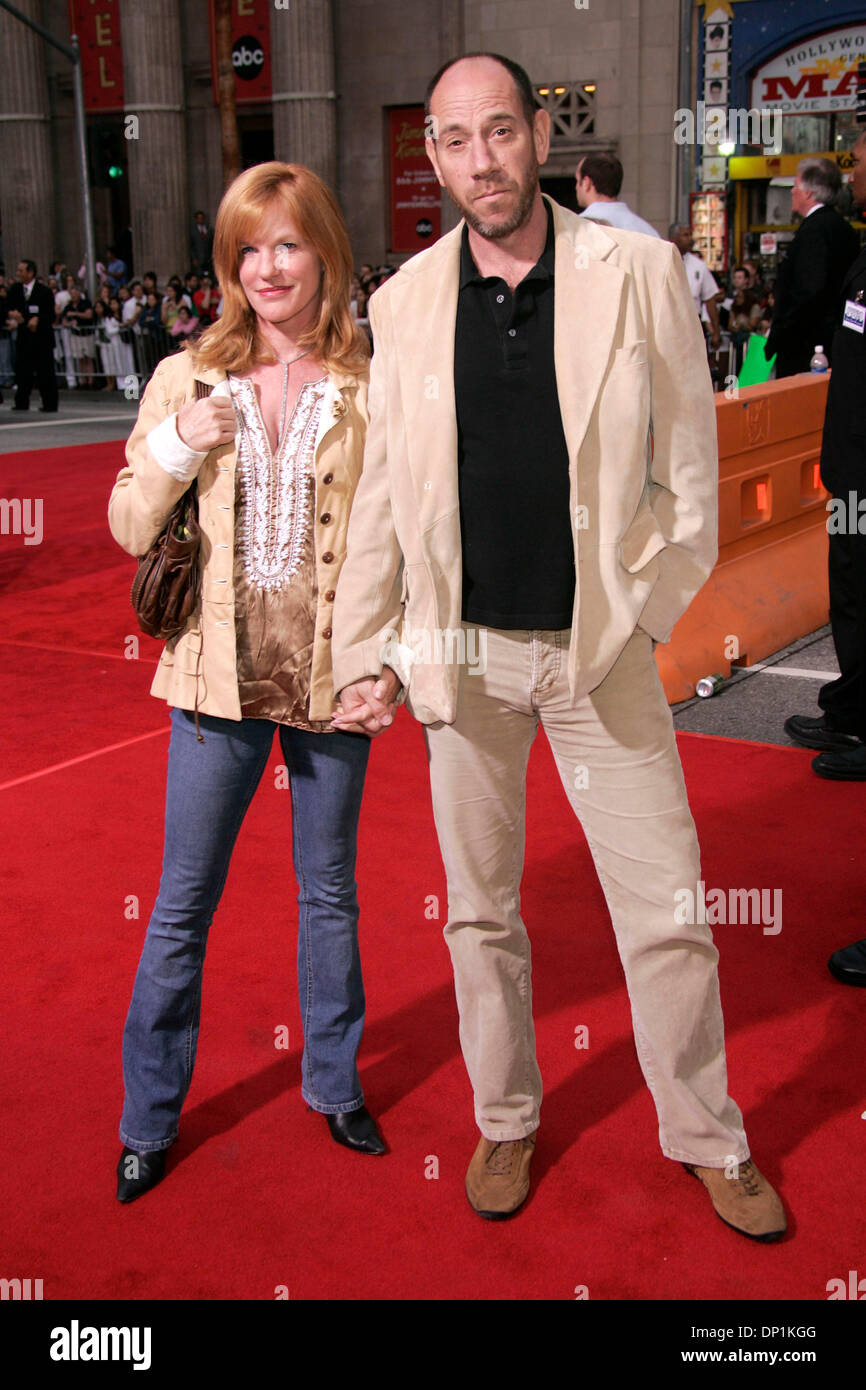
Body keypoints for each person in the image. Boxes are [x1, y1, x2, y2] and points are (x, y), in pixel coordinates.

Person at [331, 51, 785, 1241]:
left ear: (539, 134)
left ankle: (705, 1132)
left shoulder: (637, 271)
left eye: (499, 132)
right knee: (478, 916)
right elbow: (383, 495)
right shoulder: (403, 301)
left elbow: (687, 478)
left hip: (599, 657)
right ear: (431, 155)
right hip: (464, 660)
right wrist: (365, 650)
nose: (480, 160)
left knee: (668, 910)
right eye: (453, 140)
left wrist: (637, 619)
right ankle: (504, 1114)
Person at [108, 161, 384, 1204]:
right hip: (212, 687)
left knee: (329, 896)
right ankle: (147, 1117)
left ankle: (333, 1082)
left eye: (288, 244)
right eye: (247, 248)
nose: (268, 267)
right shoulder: (188, 377)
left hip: (331, 683)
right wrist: (179, 444)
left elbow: (398, 542)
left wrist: (387, 664)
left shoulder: (370, 383)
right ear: (229, 265)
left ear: (324, 252)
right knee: (181, 902)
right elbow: (130, 524)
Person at [785, 132, 866, 785]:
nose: (853, 172)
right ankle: (850, 704)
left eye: (859, 161)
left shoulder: (832, 237)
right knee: (851, 586)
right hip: (850, 461)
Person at [764, 157, 859, 377]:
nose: (791, 192)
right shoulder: (844, 229)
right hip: (836, 340)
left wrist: (782, 330)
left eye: (795, 186)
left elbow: (809, 289)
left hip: (805, 347)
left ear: (809, 192)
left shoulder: (814, 231)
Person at [4, 259, 58, 412]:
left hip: (42, 339)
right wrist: (12, 314)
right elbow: (7, 307)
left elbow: (50, 315)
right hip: (24, 338)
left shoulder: (44, 291)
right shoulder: (15, 290)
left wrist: (38, 319)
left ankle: (50, 403)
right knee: (23, 372)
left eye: (21, 271)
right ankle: (21, 402)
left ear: (30, 272)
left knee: (45, 372)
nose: (18, 273)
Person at [575, 153, 660, 237]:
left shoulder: (576, 228)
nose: (576, 187)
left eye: (577, 180)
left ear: (586, 183)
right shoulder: (647, 231)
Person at [669, 224, 721, 349]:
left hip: (693, 324)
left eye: (690, 235)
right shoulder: (660, 261)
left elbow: (710, 299)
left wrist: (716, 332)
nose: (690, 239)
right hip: (669, 322)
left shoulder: (699, 266)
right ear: (674, 238)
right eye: (685, 235)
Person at [190, 209, 215, 276]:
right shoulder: (193, 231)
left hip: (208, 258)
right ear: (196, 219)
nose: (201, 220)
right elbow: (191, 246)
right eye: (199, 218)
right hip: (199, 258)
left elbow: (212, 243)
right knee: (199, 274)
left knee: (209, 274)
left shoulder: (209, 229)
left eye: (202, 218)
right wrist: (194, 258)